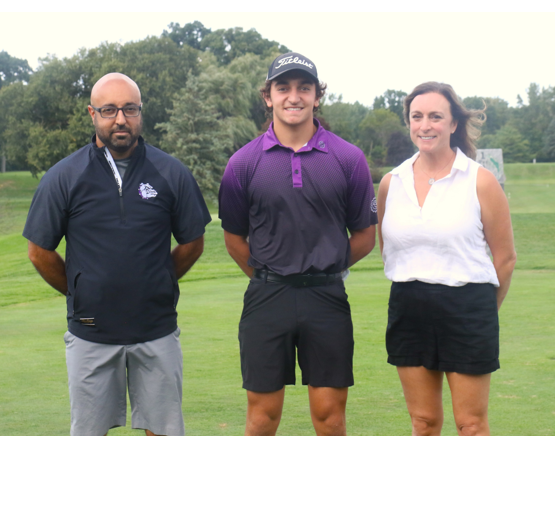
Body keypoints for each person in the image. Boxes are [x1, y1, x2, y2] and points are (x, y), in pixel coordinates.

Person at [22, 72, 210, 436]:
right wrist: (81, 291)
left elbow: (192, 243)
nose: (120, 119)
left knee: (165, 434)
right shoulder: (64, 177)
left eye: (129, 109)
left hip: (155, 330)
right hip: (91, 333)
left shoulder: (171, 173)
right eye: (109, 110)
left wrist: (158, 280)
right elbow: (39, 251)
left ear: (141, 113)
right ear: (92, 114)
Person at [219, 52, 376, 436]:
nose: (294, 97)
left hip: (326, 297)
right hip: (266, 298)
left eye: (304, 88)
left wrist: (328, 266)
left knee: (330, 417)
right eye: (283, 88)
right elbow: (234, 238)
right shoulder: (242, 164)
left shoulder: (348, 158)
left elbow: (365, 236)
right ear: (268, 97)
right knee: (262, 418)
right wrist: (270, 274)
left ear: (317, 96)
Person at [377, 82, 515, 435]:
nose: (426, 125)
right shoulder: (391, 183)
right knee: (423, 422)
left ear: (453, 124)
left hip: (467, 308)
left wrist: (482, 309)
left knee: (470, 425)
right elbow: (388, 249)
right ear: (408, 123)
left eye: (436, 117)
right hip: (408, 306)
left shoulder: (481, 182)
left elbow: (505, 258)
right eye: (417, 116)